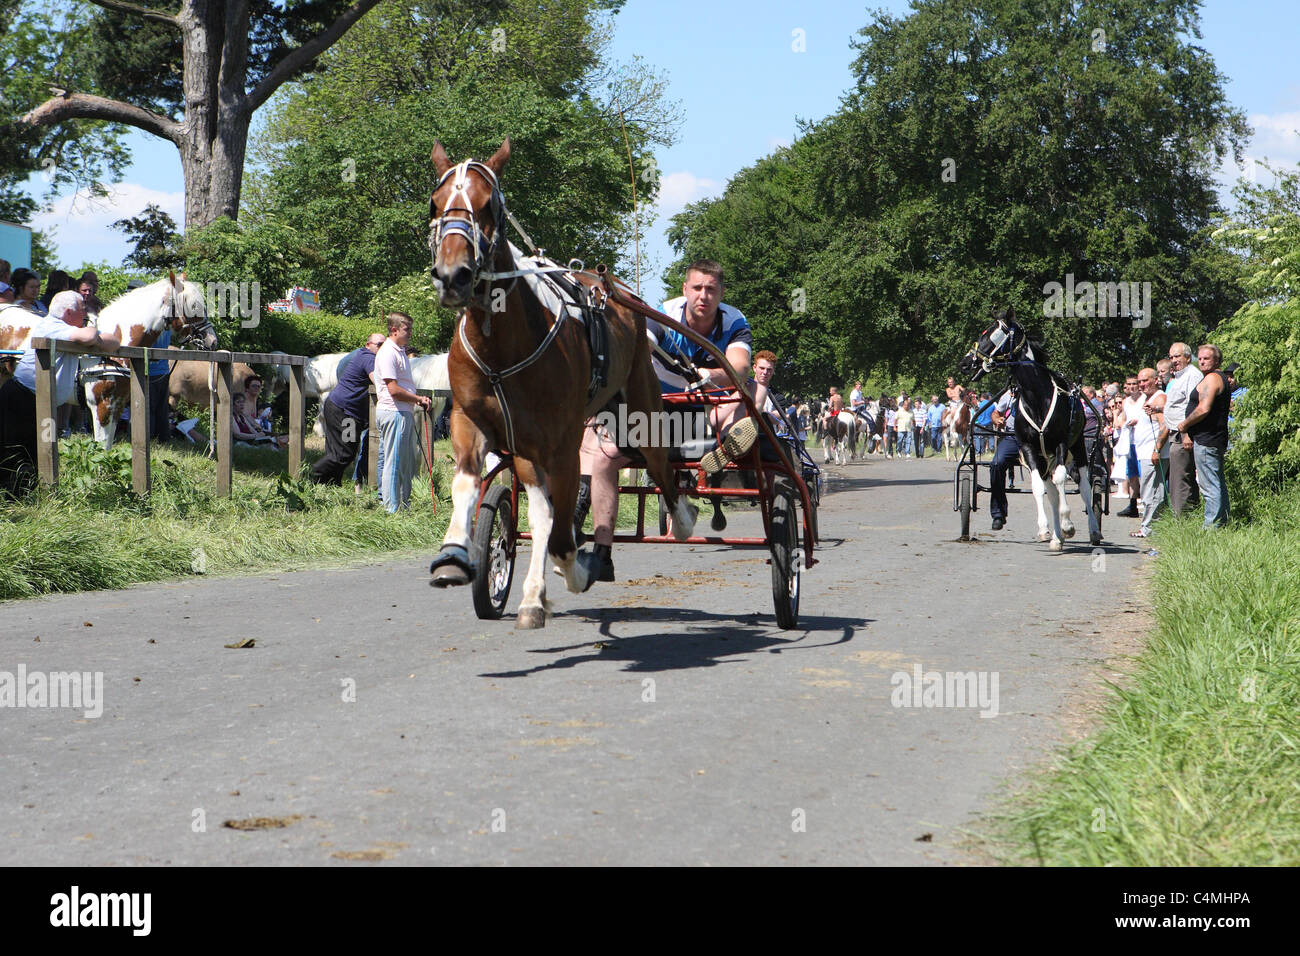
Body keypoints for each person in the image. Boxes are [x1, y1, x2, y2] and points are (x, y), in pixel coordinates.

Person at [575, 259, 754, 580]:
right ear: (684, 290)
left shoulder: (734, 320)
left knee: (742, 398)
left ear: (721, 293)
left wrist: (707, 374)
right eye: (697, 288)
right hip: (659, 413)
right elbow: (640, 349)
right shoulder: (662, 316)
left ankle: (725, 449)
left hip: (707, 411)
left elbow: (739, 368)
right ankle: (602, 554)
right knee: (603, 458)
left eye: (711, 290)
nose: (704, 296)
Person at [0, 291, 120, 494]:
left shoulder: (66, 329)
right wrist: (93, 338)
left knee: (33, 452)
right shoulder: (52, 326)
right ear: (68, 312)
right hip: (22, 398)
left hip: (39, 400)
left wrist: (93, 340)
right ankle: (14, 500)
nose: (85, 313)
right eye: (82, 308)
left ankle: (26, 496)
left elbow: (114, 341)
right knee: (16, 452)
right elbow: (90, 335)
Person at [374, 311, 431, 512]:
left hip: (402, 412)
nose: (410, 333)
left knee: (405, 465)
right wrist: (418, 399)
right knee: (394, 463)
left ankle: (403, 507)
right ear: (394, 329)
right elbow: (394, 390)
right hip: (394, 412)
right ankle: (391, 511)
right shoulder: (388, 352)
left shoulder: (400, 351)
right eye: (407, 329)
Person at [311, 333, 385, 485]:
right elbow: (379, 383)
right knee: (345, 453)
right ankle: (314, 473)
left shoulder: (362, 355)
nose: (382, 348)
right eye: (379, 345)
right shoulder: (368, 357)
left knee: (335, 451)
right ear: (368, 345)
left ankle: (329, 484)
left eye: (385, 345)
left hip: (337, 407)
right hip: (344, 412)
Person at [1180, 344, 1230, 528]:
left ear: (1216, 360)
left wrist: (1184, 425)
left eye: (1206, 358)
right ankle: (1221, 523)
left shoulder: (1213, 379)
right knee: (1216, 482)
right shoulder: (1215, 378)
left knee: (1209, 486)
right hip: (1210, 438)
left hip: (1207, 439)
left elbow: (1203, 408)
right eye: (1199, 358)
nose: (1201, 361)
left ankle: (1212, 526)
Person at [1160, 341, 1203, 517]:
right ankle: (1185, 516)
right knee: (1179, 479)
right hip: (1175, 433)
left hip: (1182, 434)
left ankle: (1183, 519)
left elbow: (1191, 406)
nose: (1173, 360)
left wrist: (1185, 434)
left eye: (1177, 356)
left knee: (1180, 480)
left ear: (1187, 356)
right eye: (1171, 357)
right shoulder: (1179, 376)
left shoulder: (1192, 375)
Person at [1129, 369, 1168, 538]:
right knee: (1153, 491)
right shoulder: (1146, 399)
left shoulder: (1159, 398)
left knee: (1149, 492)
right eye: (1140, 382)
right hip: (1144, 453)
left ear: (1155, 380)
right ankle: (1153, 526)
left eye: (1145, 380)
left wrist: (1156, 450)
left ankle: (1148, 528)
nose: (1142, 384)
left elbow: (1164, 425)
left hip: (1152, 453)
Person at [987, 386, 1019, 531]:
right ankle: (998, 513)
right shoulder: (1009, 394)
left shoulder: (1040, 390)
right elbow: (995, 413)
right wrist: (997, 419)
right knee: (996, 464)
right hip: (1012, 437)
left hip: (1036, 439)